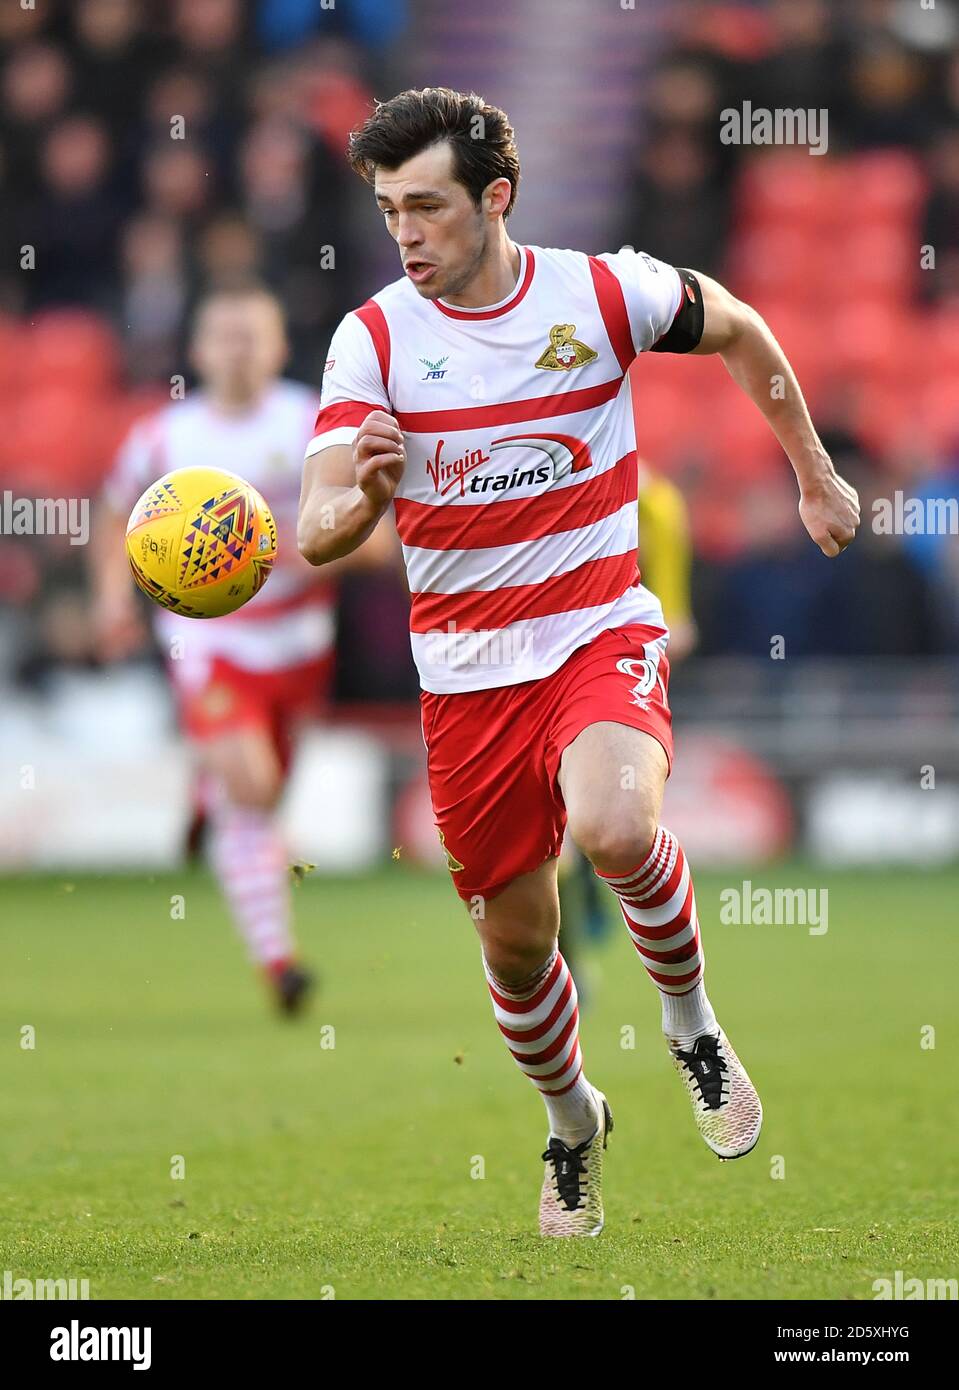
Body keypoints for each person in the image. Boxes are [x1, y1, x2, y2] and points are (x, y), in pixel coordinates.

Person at [296, 88, 860, 1235]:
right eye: (389, 210)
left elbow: (743, 328)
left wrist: (810, 471)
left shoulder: (602, 293)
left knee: (611, 829)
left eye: (427, 207)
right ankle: (571, 1123)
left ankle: (691, 1024)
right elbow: (312, 530)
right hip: (464, 676)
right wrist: (360, 493)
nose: (405, 234)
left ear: (493, 198)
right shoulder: (374, 339)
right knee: (516, 945)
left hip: (596, 626)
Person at [93, 283, 392, 1013]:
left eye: (251, 334)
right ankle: (279, 964)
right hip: (206, 639)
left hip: (296, 645)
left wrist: (295, 550)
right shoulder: (164, 438)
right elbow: (112, 517)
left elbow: (379, 545)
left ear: (279, 346)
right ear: (196, 350)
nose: (237, 349)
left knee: (258, 799)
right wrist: (110, 601)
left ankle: (207, 794)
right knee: (253, 790)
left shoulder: (309, 428)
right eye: (223, 335)